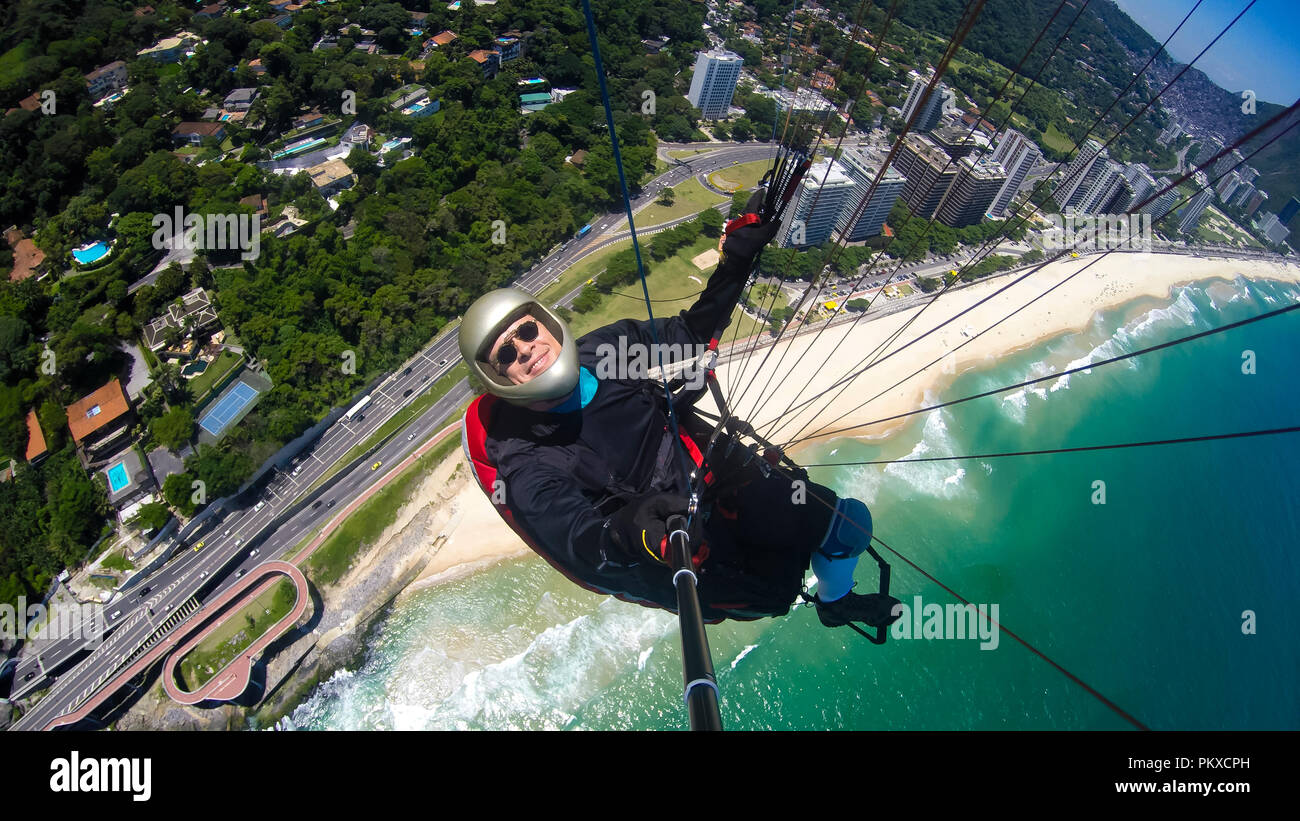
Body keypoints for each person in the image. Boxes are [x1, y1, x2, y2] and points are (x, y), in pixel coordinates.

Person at [459, 195, 901, 628]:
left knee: (848, 524)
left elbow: (688, 334)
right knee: (774, 589)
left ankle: (834, 601)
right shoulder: (525, 456)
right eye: (505, 355)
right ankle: (809, 592)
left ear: (547, 325)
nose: (525, 350)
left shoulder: (604, 351)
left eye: (528, 330)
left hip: (707, 468)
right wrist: (627, 532)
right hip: (664, 525)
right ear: (498, 378)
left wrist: (736, 263)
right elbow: (573, 535)